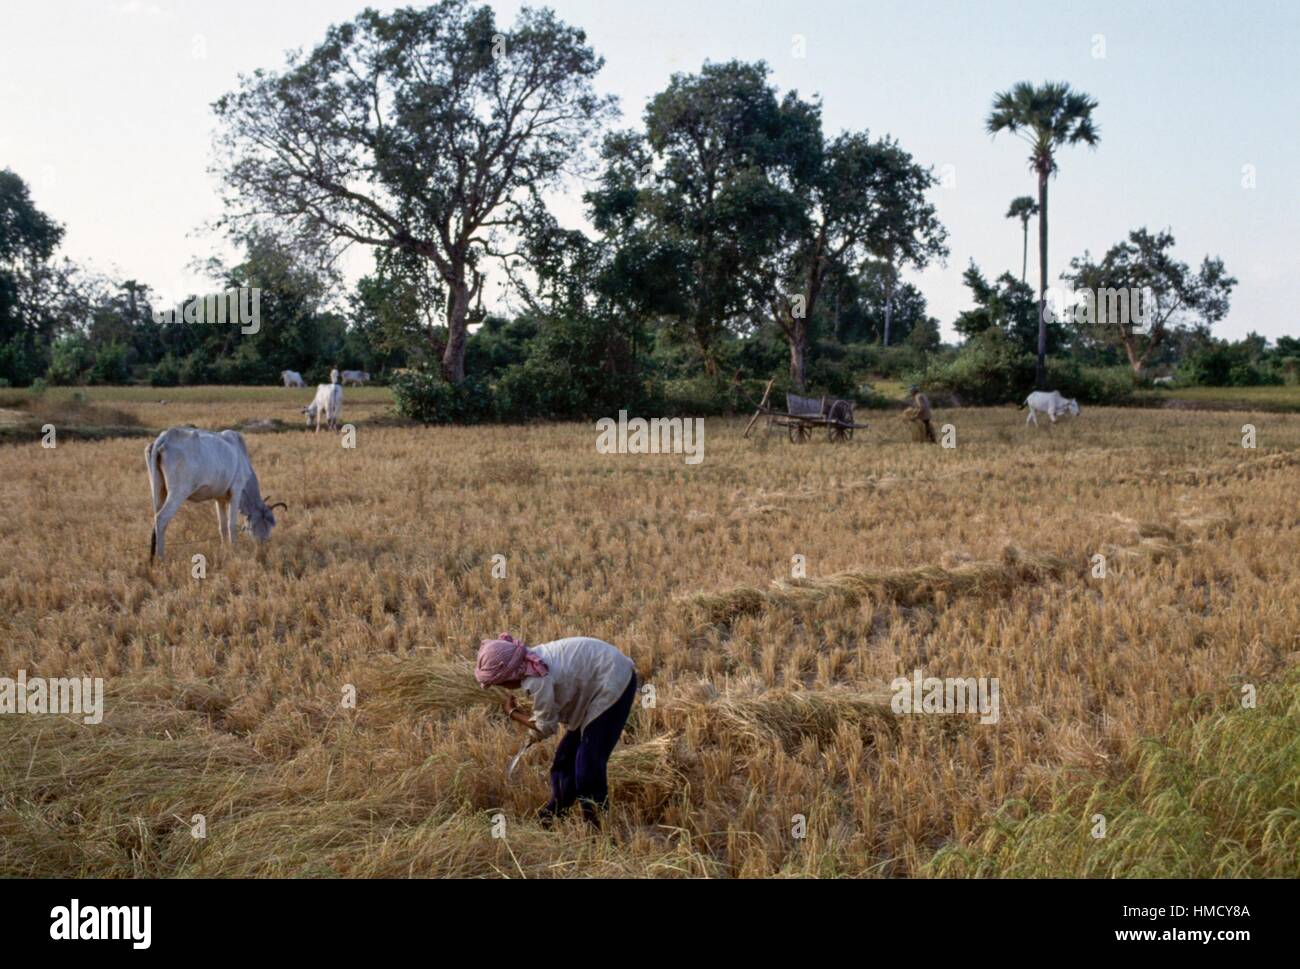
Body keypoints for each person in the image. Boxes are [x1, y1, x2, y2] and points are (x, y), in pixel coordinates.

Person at [475, 634, 637, 827]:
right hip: (593, 684)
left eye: (500, 683)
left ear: (510, 675)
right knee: (564, 761)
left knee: (588, 765)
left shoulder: (537, 679)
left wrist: (513, 713)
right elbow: (546, 717)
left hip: (613, 681)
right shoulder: (530, 662)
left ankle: (597, 826)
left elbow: (546, 727)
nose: (502, 687)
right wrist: (532, 731)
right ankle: (553, 815)